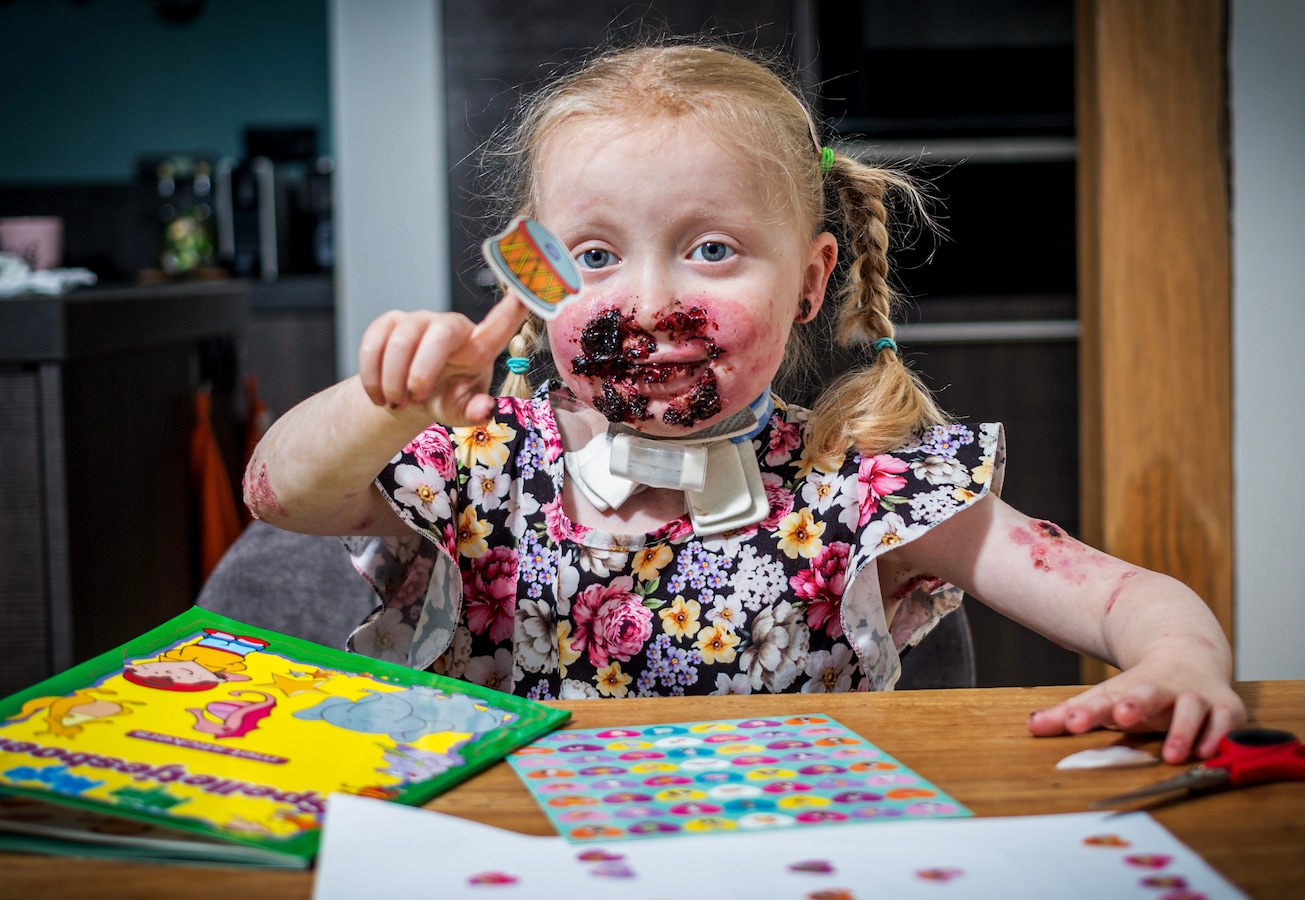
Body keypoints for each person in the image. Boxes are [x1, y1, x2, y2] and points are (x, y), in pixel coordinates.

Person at [244, 40, 1244, 763]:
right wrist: (394, 402)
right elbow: (278, 497)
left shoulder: (862, 483)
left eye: (712, 249)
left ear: (809, 282)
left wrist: (1182, 661)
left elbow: (1126, 597)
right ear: (535, 278)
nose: (648, 304)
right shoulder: (475, 457)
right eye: (594, 256)